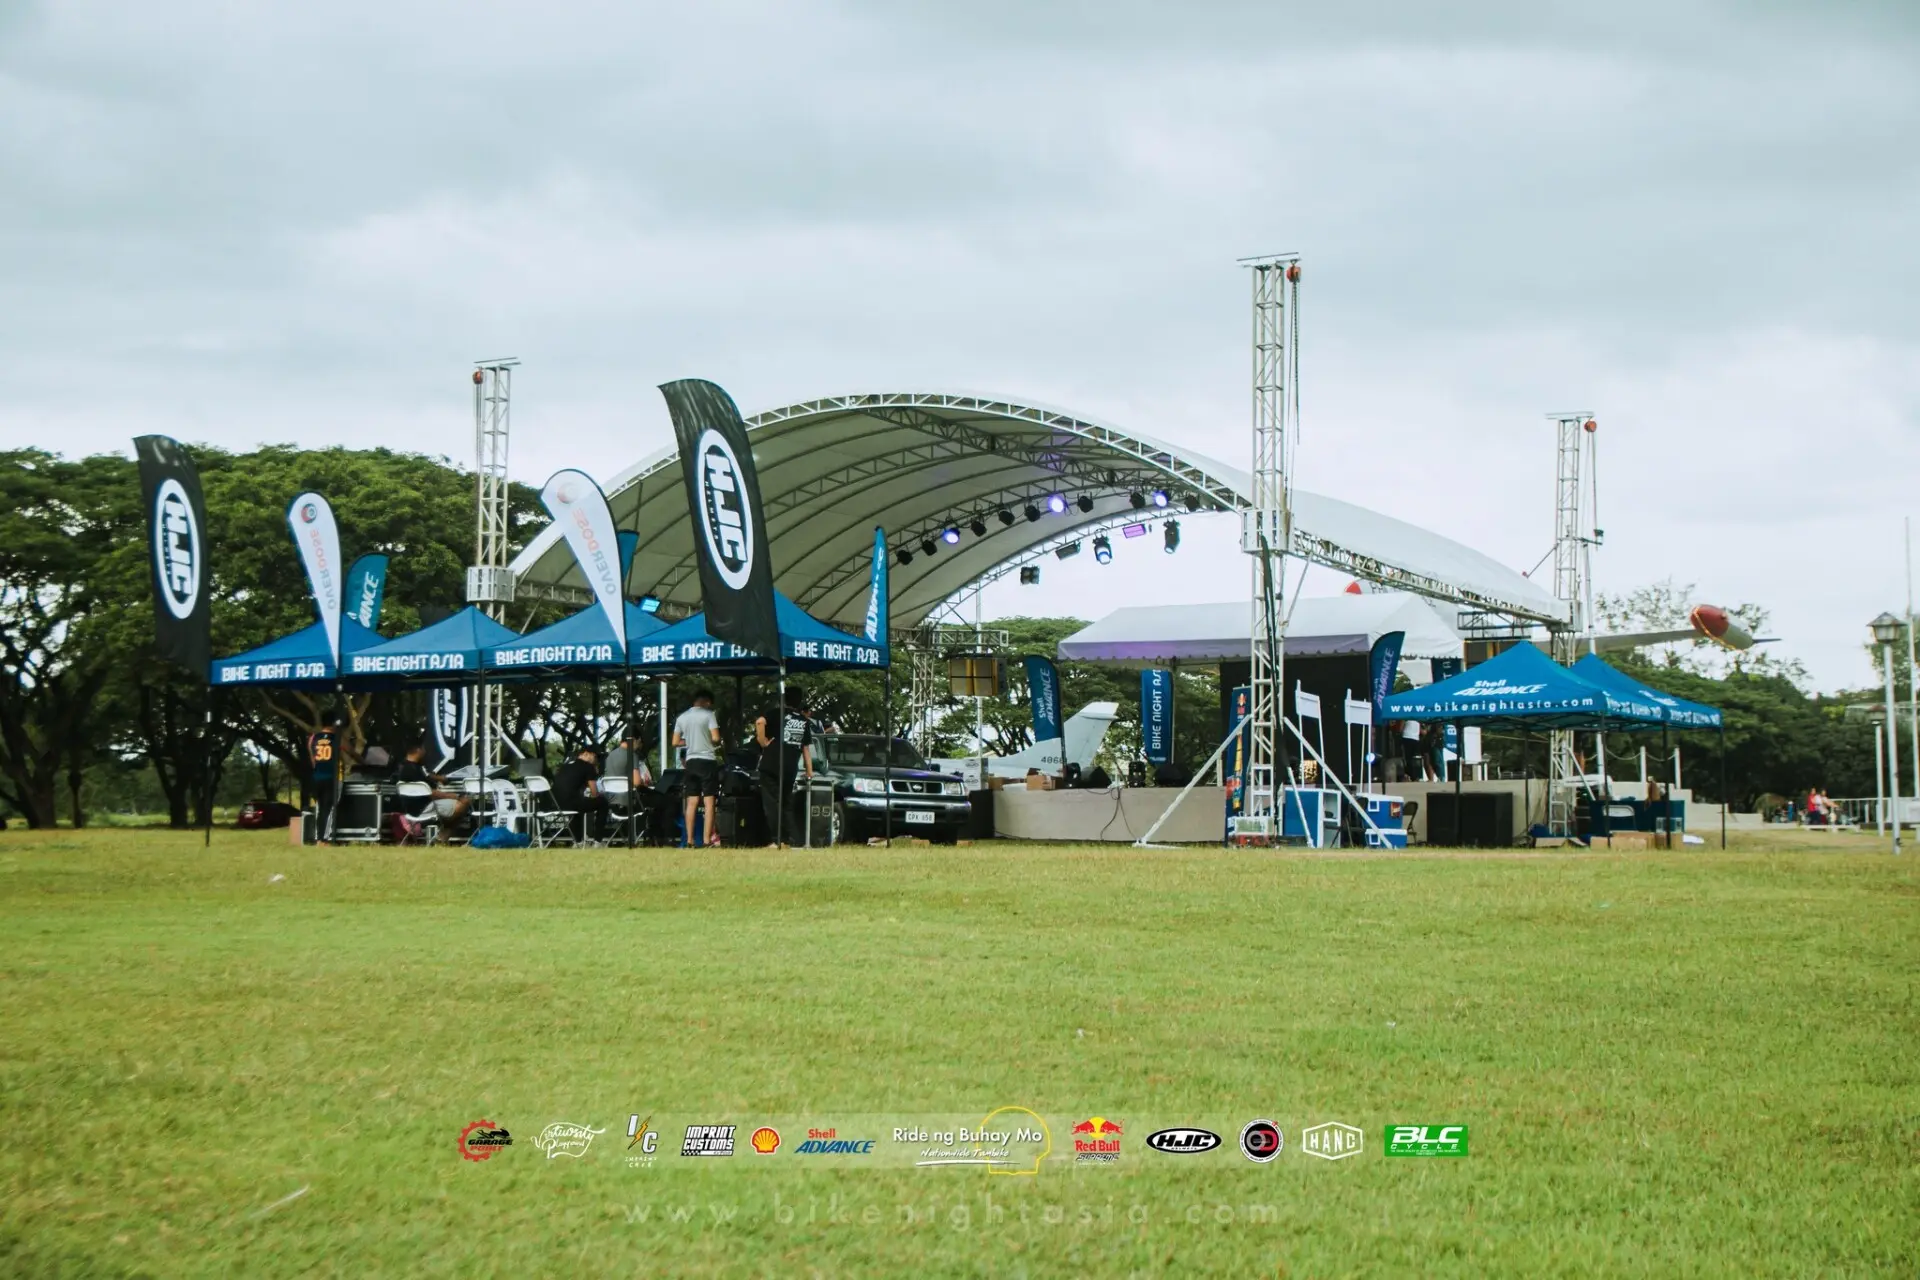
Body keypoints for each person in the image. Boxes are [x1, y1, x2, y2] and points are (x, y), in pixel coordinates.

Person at [754, 686, 813, 848]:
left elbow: (759, 722)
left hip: (771, 765)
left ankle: (776, 839)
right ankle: (790, 839)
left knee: (772, 802)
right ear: (799, 701)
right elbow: (806, 749)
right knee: (786, 804)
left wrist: (763, 742)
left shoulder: (776, 713)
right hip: (790, 768)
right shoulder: (803, 721)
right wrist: (809, 772)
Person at [673, 690, 724, 848]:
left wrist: (689, 741)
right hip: (707, 760)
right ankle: (707, 840)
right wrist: (713, 741)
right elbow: (715, 737)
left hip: (691, 761)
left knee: (692, 801)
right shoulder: (709, 715)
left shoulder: (682, 717)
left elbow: (675, 742)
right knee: (709, 801)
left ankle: (689, 840)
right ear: (707, 702)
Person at [396, 741, 472, 835]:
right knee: (463, 803)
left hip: (409, 809)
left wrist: (440, 778)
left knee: (455, 804)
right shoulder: (414, 770)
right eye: (423, 748)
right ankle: (444, 834)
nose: (425, 751)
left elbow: (426, 775)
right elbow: (432, 793)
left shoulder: (405, 767)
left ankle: (443, 832)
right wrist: (456, 796)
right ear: (418, 750)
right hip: (425, 807)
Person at [551, 746, 606, 841]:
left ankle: (578, 841)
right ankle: (598, 840)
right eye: (595, 757)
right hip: (571, 804)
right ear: (586, 754)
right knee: (603, 802)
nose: (596, 760)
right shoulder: (588, 767)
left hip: (554, 804)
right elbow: (594, 793)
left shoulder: (564, 767)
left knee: (578, 804)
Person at [308, 711, 343, 843]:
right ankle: (325, 839)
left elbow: (313, 760)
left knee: (319, 808)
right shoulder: (336, 738)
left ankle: (318, 838)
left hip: (317, 777)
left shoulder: (313, 738)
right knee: (329, 808)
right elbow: (348, 751)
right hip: (331, 778)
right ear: (335, 723)